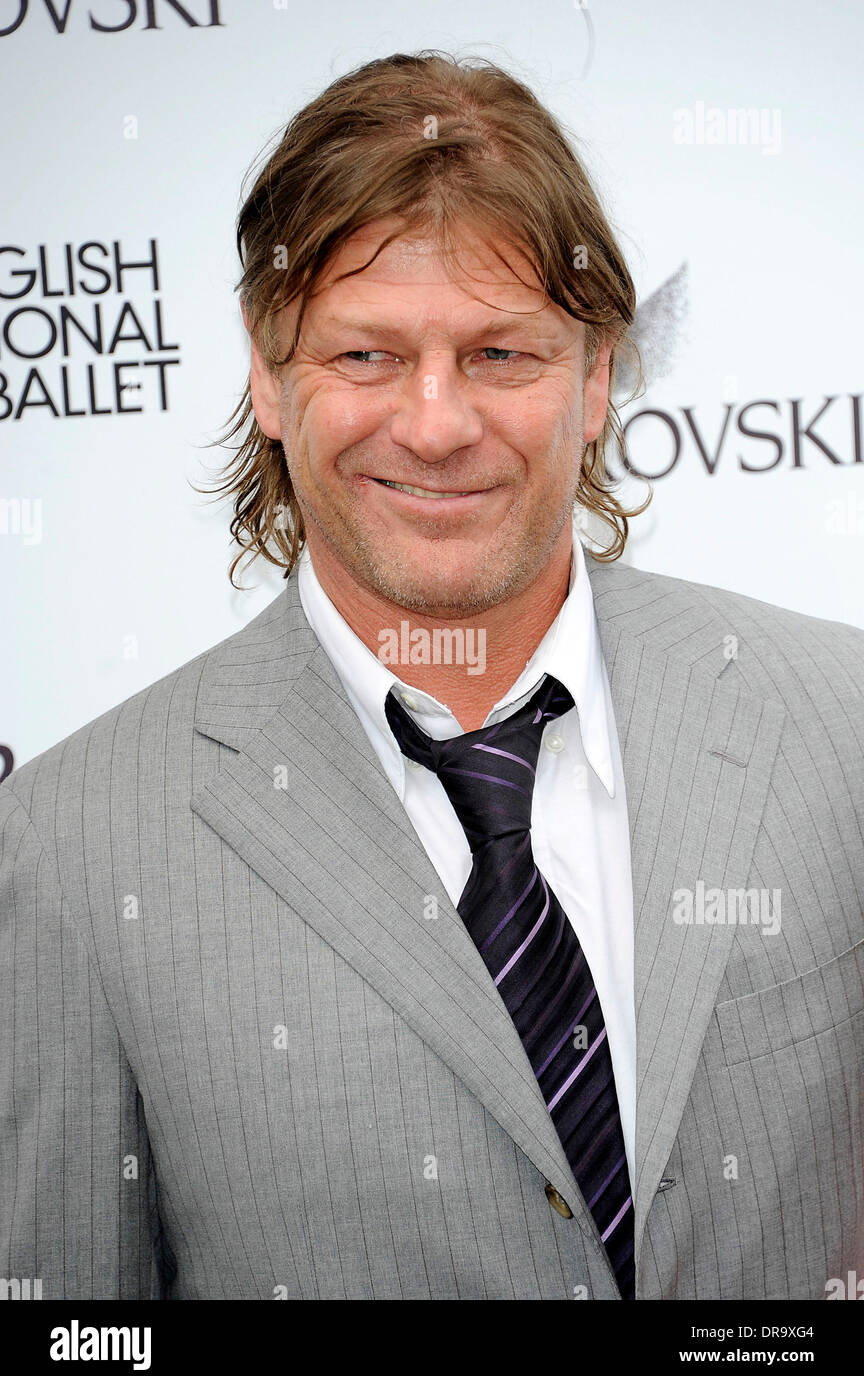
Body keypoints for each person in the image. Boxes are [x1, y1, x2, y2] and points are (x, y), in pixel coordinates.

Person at [1, 51, 862, 1302]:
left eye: (502, 353)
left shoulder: (838, 725)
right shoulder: (71, 850)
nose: (439, 422)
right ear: (268, 373)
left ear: (598, 376)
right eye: (366, 356)